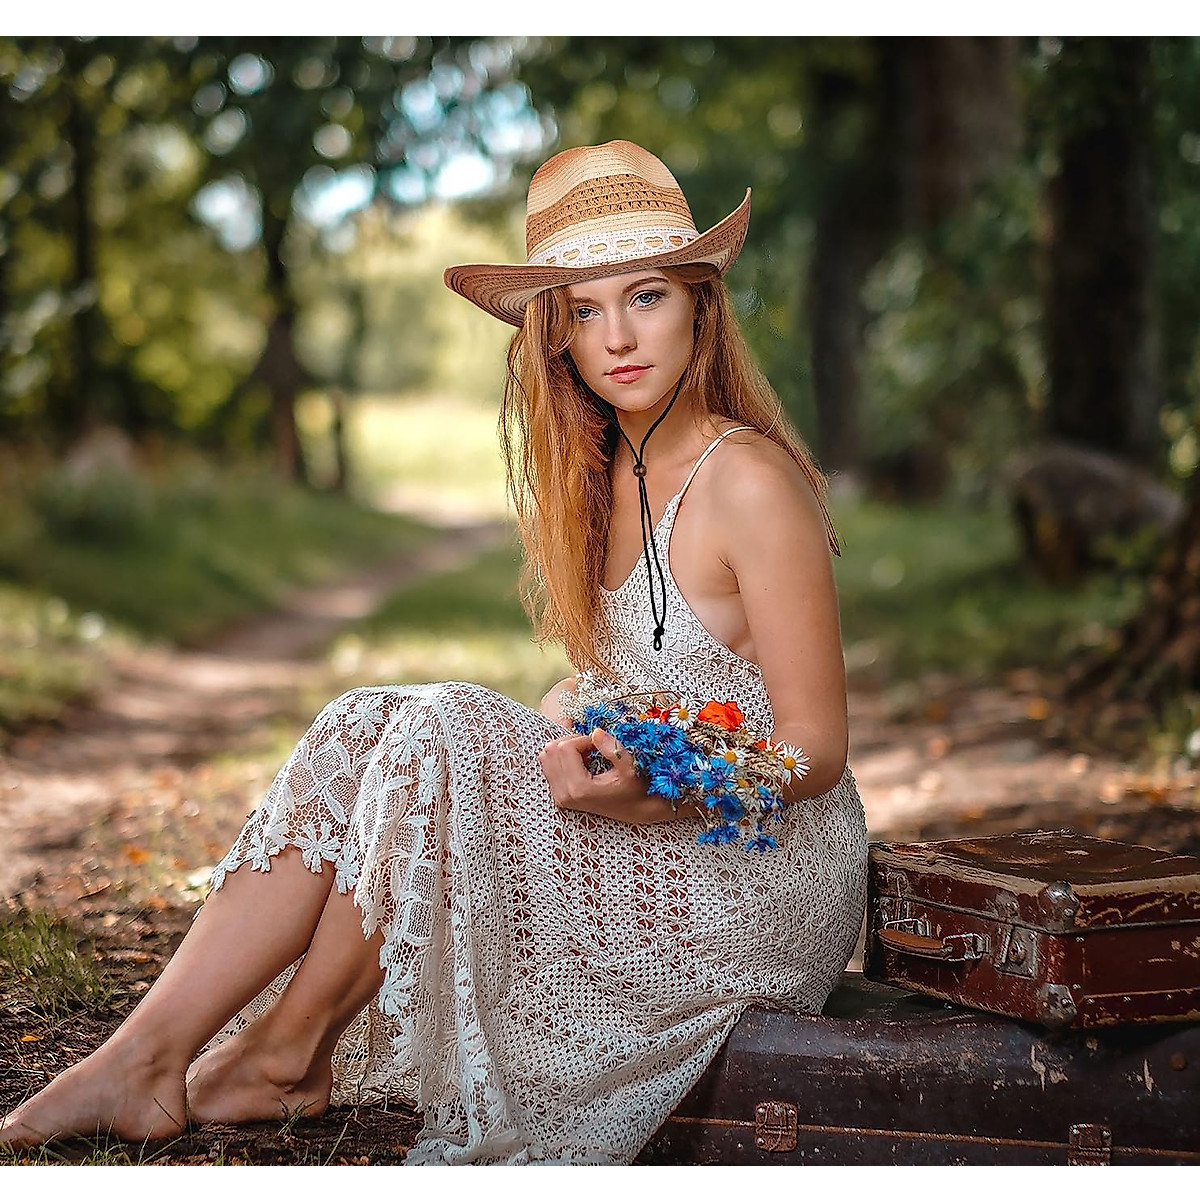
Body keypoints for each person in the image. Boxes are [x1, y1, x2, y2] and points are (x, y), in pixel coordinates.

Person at [0, 139, 868, 1164]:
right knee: (368, 717)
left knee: (445, 723)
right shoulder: (607, 473)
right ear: (556, 339)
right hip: (658, 817)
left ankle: (286, 1052)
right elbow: (638, 670)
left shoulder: (749, 480)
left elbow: (815, 750)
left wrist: (663, 790)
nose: (618, 337)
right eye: (584, 311)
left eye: (645, 299)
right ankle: (147, 1055)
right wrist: (576, 717)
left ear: (698, 306)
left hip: (754, 878)